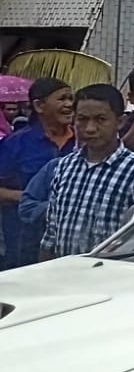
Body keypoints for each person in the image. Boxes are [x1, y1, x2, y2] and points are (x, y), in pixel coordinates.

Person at [40, 84, 134, 260]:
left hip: (110, 278)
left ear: (119, 122)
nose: (90, 128)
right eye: (82, 119)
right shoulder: (65, 167)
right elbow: (51, 234)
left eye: (100, 119)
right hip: (64, 274)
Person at [0, 76, 75, 267]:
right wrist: (28, 198)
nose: (69, 105)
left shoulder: (83, 142)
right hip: (23, 239)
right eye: (62, 99)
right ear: (39, 106)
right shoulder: (16, 144)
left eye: (71, 99)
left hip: (68, 241)